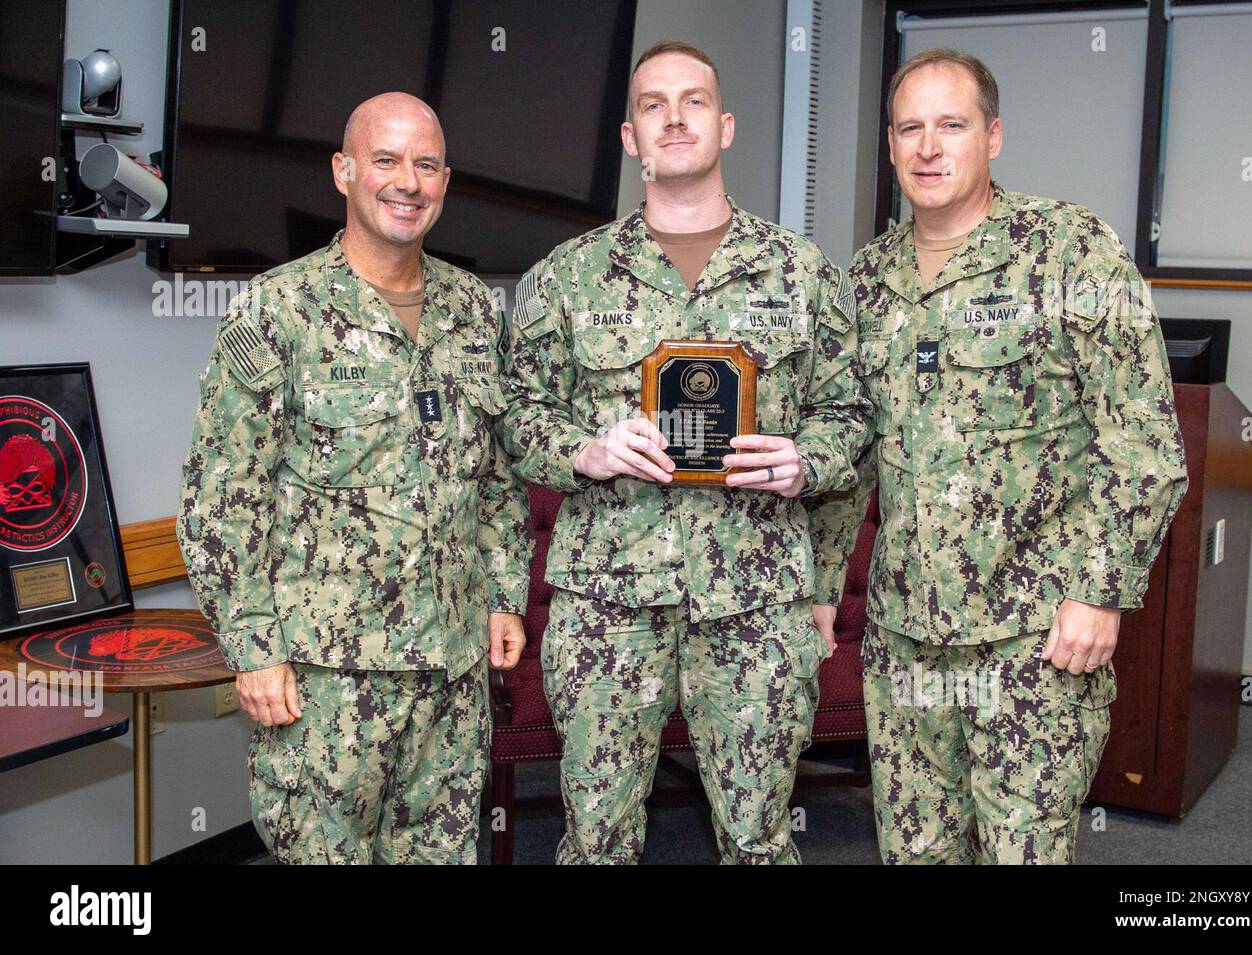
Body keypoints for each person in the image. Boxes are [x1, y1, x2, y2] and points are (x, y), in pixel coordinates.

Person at [809, 48, 1188, 864]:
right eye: (909, 128)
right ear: (889, 147)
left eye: (952, 124)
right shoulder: (866, 279)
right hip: (906, 639)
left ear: (994, 135)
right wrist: (818, 585)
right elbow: (853, 449)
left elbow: (1146, 444)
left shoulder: (1070, 250)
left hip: (1035, 639)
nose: (928, 146)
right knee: (914, 852)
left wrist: (1099, 589)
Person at [500, 41, 870, 864]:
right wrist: (585, 450)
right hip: (608, 603)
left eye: (694, 101)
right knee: (596, 842)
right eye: (653, 105)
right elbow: (516, 416)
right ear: (630, 137)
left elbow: (853, 415)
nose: (674, 117)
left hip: (755, 599)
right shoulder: (565, 278)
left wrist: (807, 459)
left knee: (759, 841)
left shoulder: (803, 274)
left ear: (725, 126)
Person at [177, 92, 531, 864]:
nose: (408, 181)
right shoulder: (276, 312)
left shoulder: (474, 310)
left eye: (427, 164)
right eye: (386, 159)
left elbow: (496, 477)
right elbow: (219, 503)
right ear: (343, 172)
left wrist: (504, 594)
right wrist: (254, 647)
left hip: (451, 675)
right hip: (327, 684)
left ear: (446, 180)